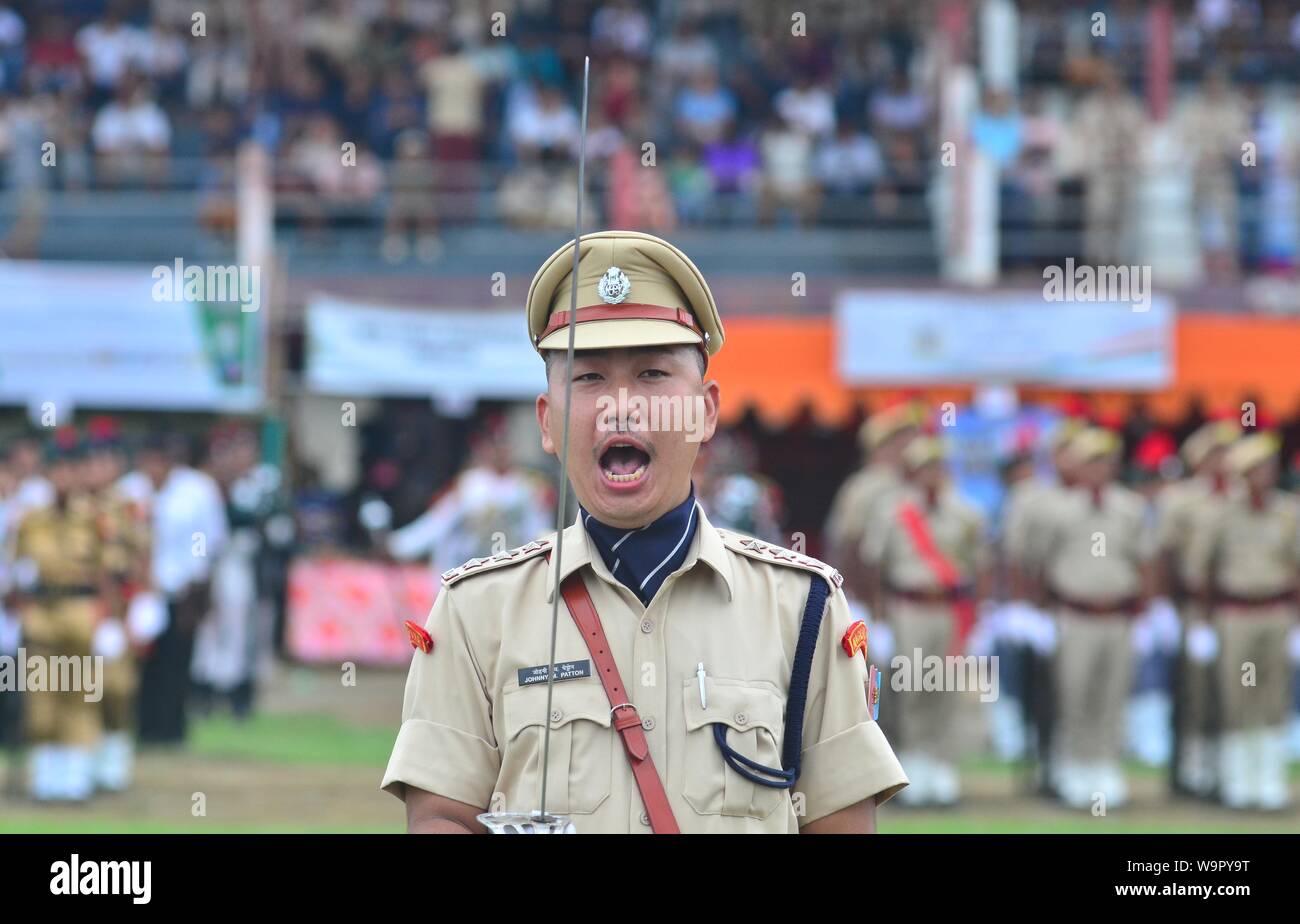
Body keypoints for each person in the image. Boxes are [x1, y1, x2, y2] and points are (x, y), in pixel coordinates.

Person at [382, 230, 908, 833]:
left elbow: (840, 823)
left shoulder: (804, 609)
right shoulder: (476, 612)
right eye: (589, 379)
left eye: (654, 374)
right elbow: (443, 817)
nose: (621, 407)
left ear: (705, 412)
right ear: (547, 422)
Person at [862, 436, 988, 806]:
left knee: (946, 686)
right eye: (925, 468)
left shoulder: (965, 512)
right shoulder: (893, 511)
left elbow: (978, 566)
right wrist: (878, 617)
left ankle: (941, 763)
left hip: (949, 609)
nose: (933, 475)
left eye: (939, 468)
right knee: (911, 685)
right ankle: (913, 760)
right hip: (909, 607)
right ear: (912, 473)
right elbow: (875, 566)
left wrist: (978, 617)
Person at [1034, 428, 1153, 809]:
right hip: (1076, 614)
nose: (1101, 469)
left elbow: (1145, 561)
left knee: (1112, 694)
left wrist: (1148, 610)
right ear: (1079, 468)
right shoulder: (1058, 510)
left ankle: (1106, 768)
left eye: (1107, 462)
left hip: (1117, 615)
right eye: (1092, 462)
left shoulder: (1130, 508)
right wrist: (1036, 613)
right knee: (1076, 693)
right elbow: (1037, 563)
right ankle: (1074, 767)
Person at [1189, 433, 1298, 810]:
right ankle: (1238, 779)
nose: (1264, 476)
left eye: (1268, 468)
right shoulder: (1221, 513)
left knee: (1273, 697)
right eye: (1256, 470)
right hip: (1235, 613)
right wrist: (1202, 622)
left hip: (1275, 612)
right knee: (1238, 696)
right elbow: (1201, 570)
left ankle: (1268, 779)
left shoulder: (1288, 511)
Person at [10, 436, 106, 800]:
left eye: (70, 469)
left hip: (80, 613)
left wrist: (112, 618)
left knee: (78, 697)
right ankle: (46, 779)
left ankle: (75, 778)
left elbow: (107, 573)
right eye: (57, 469)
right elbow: (17, 569)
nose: (64, 477)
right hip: (42, 614)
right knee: (41, 700)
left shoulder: (95, 519)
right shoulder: (32, 521)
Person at [1155, 419, 1238, 798]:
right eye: (1215, 454)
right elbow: (1167, 556)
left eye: (1227, 453)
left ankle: (1226, 769)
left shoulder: (1242, 496)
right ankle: (1190, 768)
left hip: (1234, 607)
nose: (1223, 461)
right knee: (1194, 693)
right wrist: (1167, 608)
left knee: (1233, 691)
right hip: (1193, 609)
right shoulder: (1181, 500)